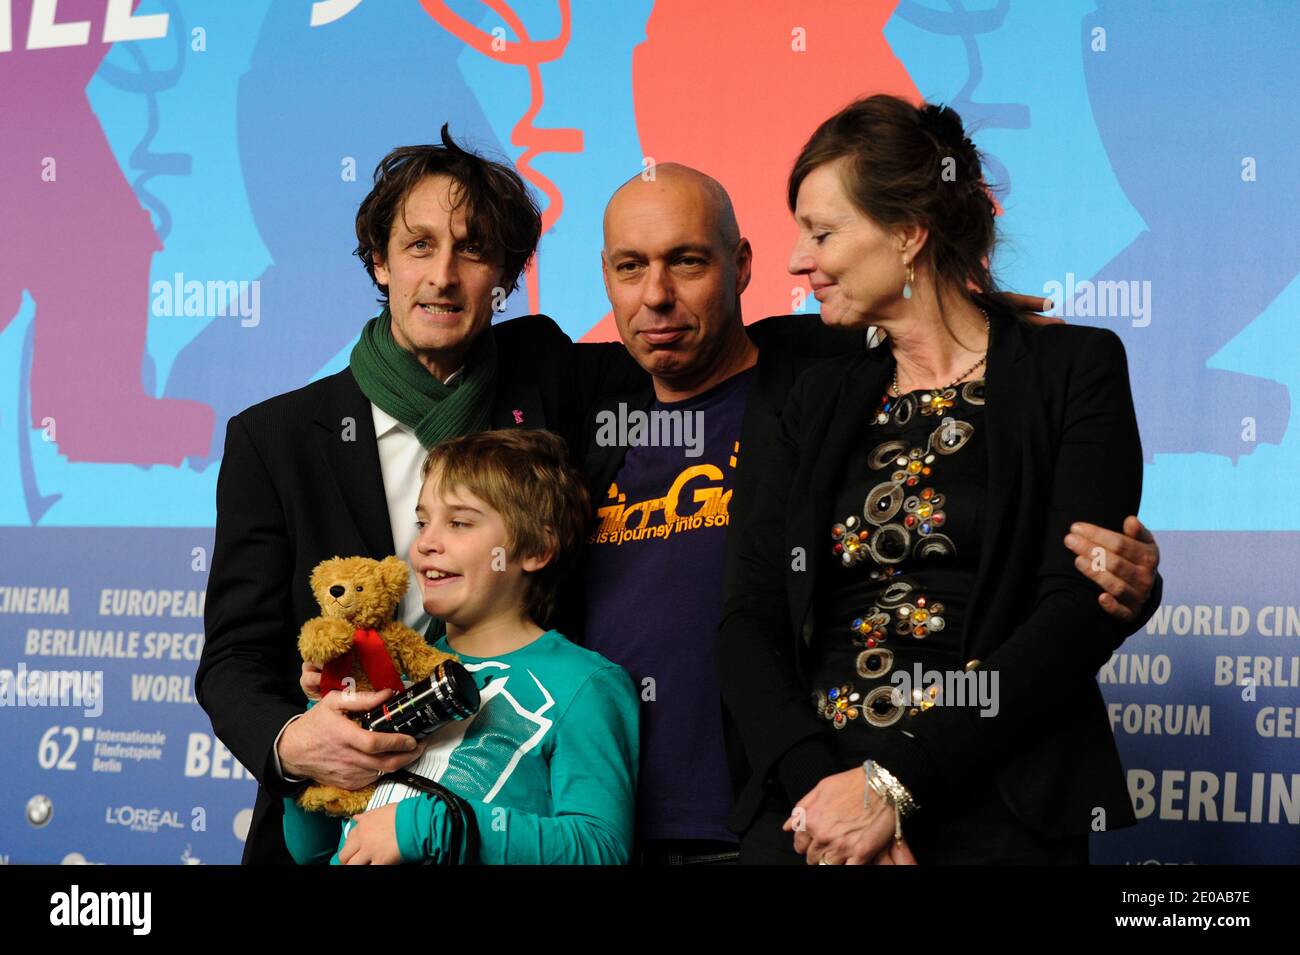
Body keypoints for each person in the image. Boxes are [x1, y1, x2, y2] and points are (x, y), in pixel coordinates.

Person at [582, 161, 1162, 864]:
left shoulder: (808, 376)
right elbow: (749, 619)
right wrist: (830, 797)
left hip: (909, 803)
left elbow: (1064, 590)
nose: (657, 295)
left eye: (687, 261)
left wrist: (885, 789)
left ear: (739, 268)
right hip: (671, 814)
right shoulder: (586, 403)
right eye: (629, 266)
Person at [196, 127, 641, 864]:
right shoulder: (275, 441)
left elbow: (698, 351)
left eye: (472, 250)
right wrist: (293, 741)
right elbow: (234, 656)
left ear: (503, 274)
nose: (442, 275)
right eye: (418, 245)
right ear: (380, 260)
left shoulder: (545, 374)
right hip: (333, 826)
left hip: (507, 822)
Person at [282, 429, 638, 864]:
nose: (426, 543)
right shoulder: (391, 671)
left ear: (538, 548)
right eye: (422, 522)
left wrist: (432, 824)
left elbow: (601, 848)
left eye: (460, 522)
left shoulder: (585, 685)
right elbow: (313, 849)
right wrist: (317, 723)